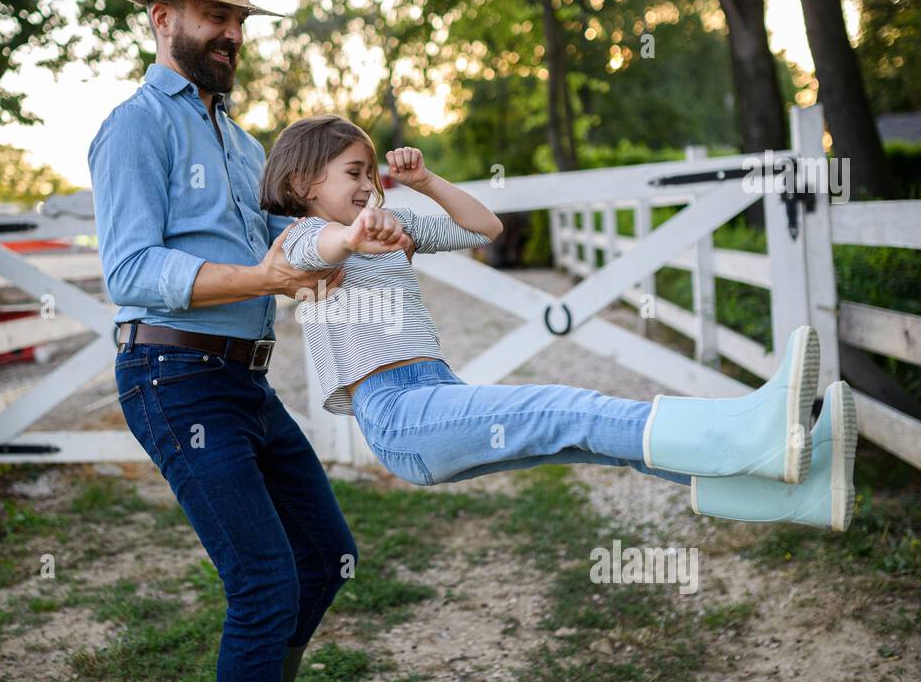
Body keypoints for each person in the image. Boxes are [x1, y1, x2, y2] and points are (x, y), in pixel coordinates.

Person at [259, 114, 859, 533]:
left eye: (370, 173)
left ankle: (788, 491)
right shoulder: (305, 235)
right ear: (301, 184)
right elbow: (328, 247)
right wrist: (358, 232)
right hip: (397, 416)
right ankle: (746, 431)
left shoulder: (395, 231)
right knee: (569, 408)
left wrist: (424, 184)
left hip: (435, 396)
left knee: (590, 438)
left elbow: (483, 229)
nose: (368, 186)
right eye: (352, 173)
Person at [89, 0, 399, 682]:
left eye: (237, 17)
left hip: (245, 384)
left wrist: (358, 224)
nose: (230, 32)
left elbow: (283, 235)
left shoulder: (243, 142)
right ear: (162, 20)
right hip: (171, 374)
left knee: (327, 557)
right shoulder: (134, 128)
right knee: (264, 578)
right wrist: (265, 279)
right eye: (213, 15)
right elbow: (130, 270)